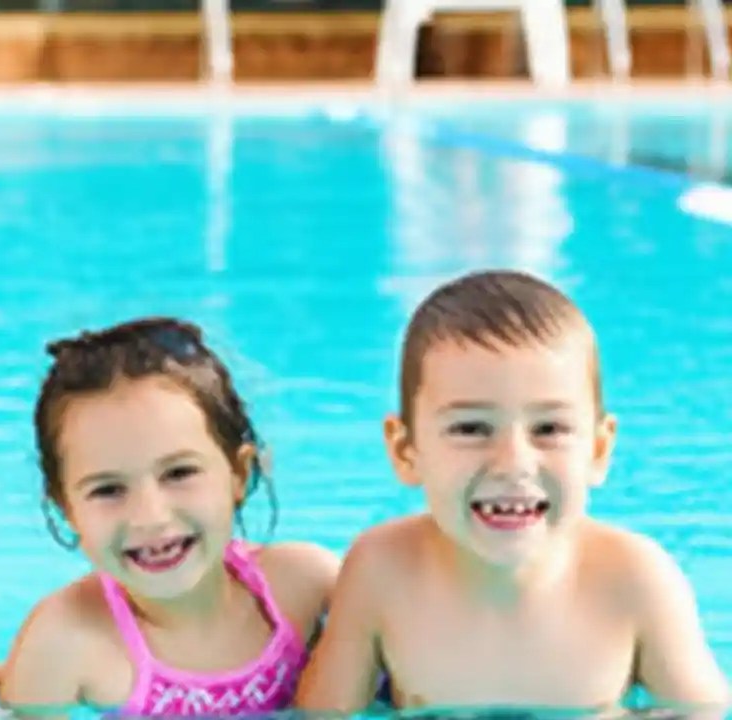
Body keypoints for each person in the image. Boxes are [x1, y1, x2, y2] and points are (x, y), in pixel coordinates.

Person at [295, 269, 730, 712]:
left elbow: (704, 711)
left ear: (598, 449)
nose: (514, 462)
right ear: (406, 450)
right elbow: (321, 714)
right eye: (471, 428)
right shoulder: (382, 569)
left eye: (549, 428)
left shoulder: (634, 581)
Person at [1, 317, 337, 716]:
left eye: (179, 473)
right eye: (107, 490)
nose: (150, 517)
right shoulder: (64, 644)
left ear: (239, 475)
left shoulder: (305, 590)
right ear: (66, 508)